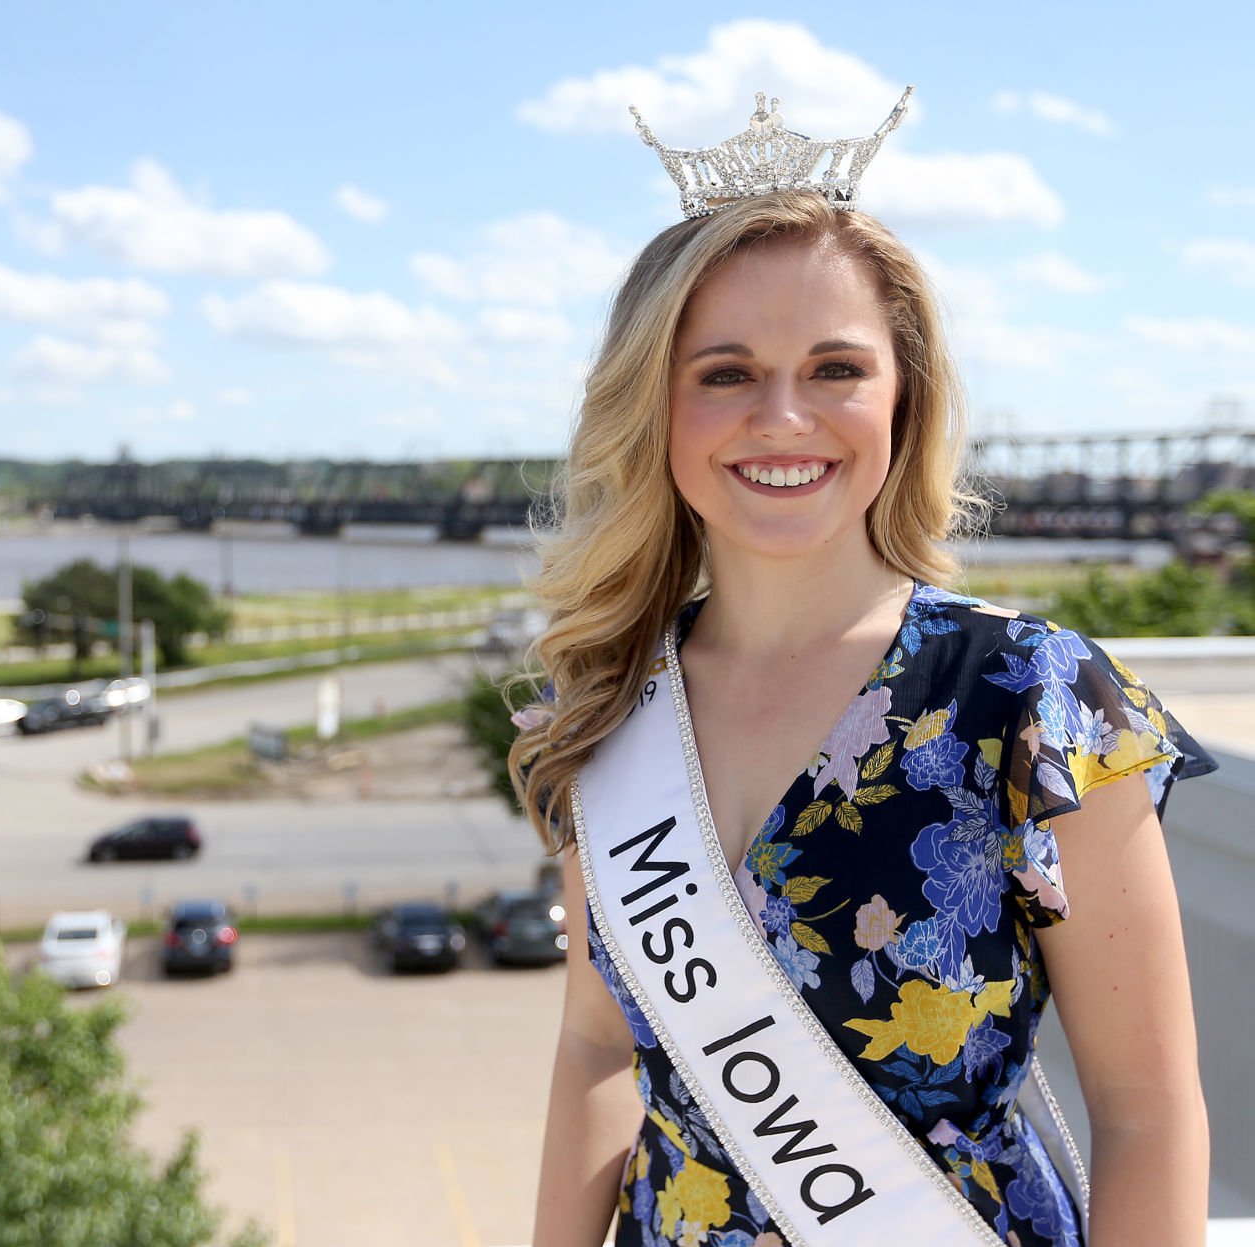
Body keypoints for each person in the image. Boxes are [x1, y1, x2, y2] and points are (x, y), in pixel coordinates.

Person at [513, 94, 1215, 1247]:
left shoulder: (1031, 696)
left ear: (902, 395)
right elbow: (598, 1040)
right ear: (657, 405)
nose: (783, 418)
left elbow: (1148, 1113)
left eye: (835, 366)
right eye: (726, 373)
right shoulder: (610, 702)